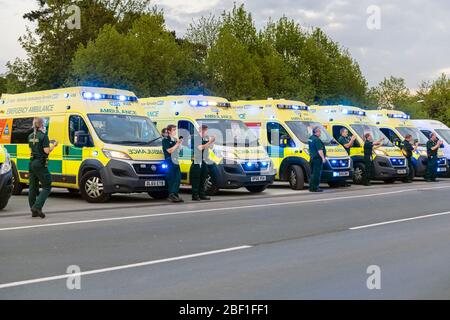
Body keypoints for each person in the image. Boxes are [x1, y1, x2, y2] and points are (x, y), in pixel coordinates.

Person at [28, 117, 57, 218]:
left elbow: (32, 148)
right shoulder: (44, 136)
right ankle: (37, 206)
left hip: (31, 162)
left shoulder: (30, 136)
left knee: (32, 187)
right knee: (47, 185)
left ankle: (34, 211)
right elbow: (46, 151)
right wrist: (53, 145)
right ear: (42, 125)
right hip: (40, 163)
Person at [191, 125, 216, 201]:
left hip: (204, 160)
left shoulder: (204, 138)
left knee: (203, 178)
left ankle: (202, 194)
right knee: (196, 179)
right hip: (197, 160)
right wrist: (210, 142)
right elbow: (200, 147)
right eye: (206, 131)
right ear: (202, 130)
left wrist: (212, 142)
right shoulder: (196, 138)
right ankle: (195, 195)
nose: (206, 133)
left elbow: (209, 147)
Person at [162, 125, 184, 203]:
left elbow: (179, 152)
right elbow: (169, 151)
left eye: (175, 130)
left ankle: (175, 194)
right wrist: (177, 144)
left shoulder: (175, 140)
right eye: (174, 130)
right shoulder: (165, 140)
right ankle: (172, 194)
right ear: (169, 131)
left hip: (176, 160)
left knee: (178, 178)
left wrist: (180, 145)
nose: (175, 131)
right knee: (171, 178)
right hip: (169, 160)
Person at [308, 127, 326, 192]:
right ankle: (315, 188)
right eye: (319, 132)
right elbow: (320, 150)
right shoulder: (317, 140)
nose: (320, 133)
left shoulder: (310, 138)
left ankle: (311, 187)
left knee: (312, 173)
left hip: (312, 158)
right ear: (316, 132)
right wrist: (323, 158)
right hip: (317, 159)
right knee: (317, 174)